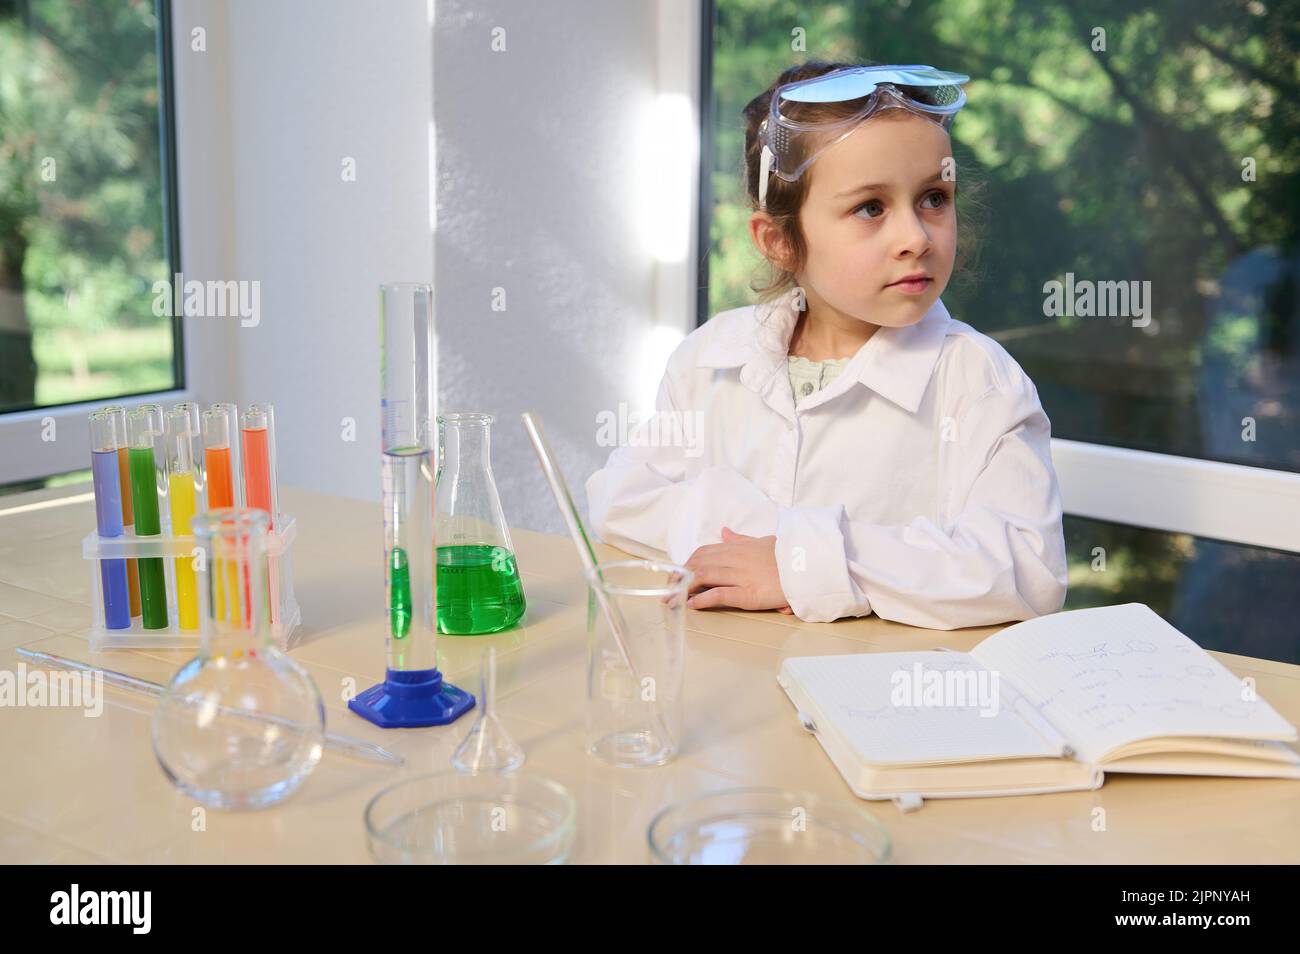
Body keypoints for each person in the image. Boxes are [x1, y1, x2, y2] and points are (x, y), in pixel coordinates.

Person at [586, 61, 1067, 629]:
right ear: (780, 241)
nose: (915, 237)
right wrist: (759, 544)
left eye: (934, 197)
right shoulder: (709, 360)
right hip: (727, 677)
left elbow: (1025, 575)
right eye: (871, 208)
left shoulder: (980, 382)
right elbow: (619, 500)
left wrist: (799, 561)